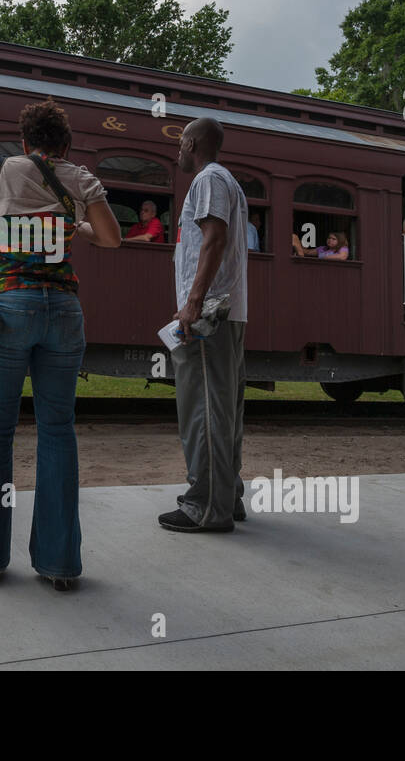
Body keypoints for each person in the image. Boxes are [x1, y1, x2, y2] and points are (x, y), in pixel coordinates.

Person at [0, 99, 121, 590]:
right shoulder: (78, 176)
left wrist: (20, 229)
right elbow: (113, 239)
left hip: (10, 306)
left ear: (25, 141)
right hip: (63, 312)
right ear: (65, 145)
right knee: (57, 431)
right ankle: (57, 565)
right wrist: (75, 227)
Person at [159, 117, 249, 533]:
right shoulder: (227, 180)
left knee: (204, 410)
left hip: (208, 316)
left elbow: (213, 238)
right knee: (224, 409)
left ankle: (206, 507)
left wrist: (192, 303)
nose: (178, 151)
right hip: (226, 314)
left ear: (192, 142)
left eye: (180, 143)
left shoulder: (208, 180)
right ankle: (228, 498)